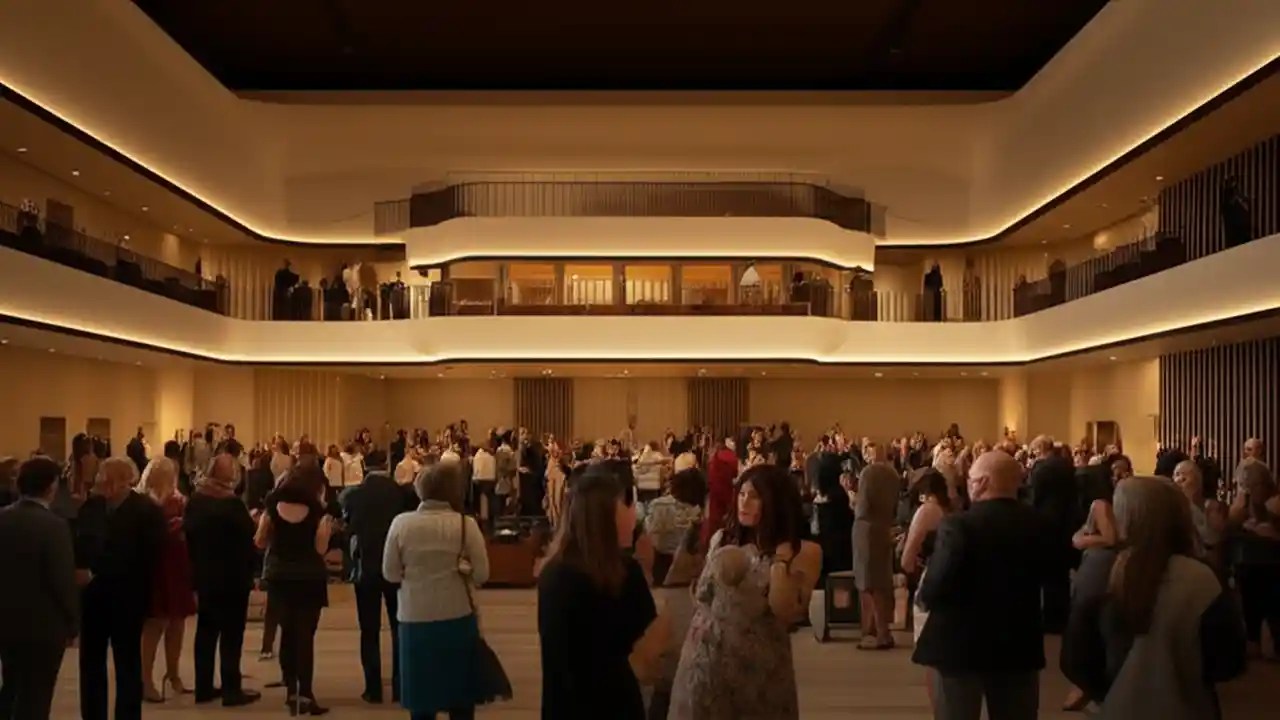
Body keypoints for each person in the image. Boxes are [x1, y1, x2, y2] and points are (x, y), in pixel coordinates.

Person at [1061, 476, 1246, 719]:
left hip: (1119, 706)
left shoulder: (1100, 569)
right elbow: (1228, 661)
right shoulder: (1203, 576)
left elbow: (1076, 658)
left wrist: (1110, 689)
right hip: (1188, 707)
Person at [667, 464, 822, 720]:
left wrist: (780, 562)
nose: (744, 502)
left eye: (754, 496)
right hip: (707, 658)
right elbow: (701, 596)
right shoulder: (722, 539)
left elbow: (786, 613)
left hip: (760, 668)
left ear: (775, 502)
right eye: (741, 494)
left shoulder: (803, 552)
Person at [912, 450, 1047, 720]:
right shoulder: (1039, 523)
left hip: (960, 644)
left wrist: (924, 598)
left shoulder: (958, 525)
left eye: (971, 478)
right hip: (1018, 640)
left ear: (982, 483)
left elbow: (938, 581)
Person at [539, 463, 669, 719]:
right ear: (605, 516)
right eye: (626, 505)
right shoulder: (623, 573)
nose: (633, 514)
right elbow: (649, 659)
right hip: (613, 706)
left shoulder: (552, 572)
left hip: (562, 707)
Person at [383, 462, 492, 720]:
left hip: (414, 617)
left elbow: (389, 573)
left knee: (421, 701)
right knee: (461, 699)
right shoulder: (466, 525)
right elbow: (482, 575)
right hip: (457, 615)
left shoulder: (401, 524)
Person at [76, 457, 166, 720]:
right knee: (91, 663)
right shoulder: (91, 507)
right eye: (102, 479)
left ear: (125, 481)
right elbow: (80, 543)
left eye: (109, 478)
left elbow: (151, 555)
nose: (103, 484)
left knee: (127, 662)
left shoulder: (146, 510)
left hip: (128, 596)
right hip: (93, 597)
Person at [0, 457, 79, 720]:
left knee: (11, 687)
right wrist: (73, 622)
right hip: (44, 626)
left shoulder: (3, 518)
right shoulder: (54, 526)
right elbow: (61, 579)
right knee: (37, 697)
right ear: (51, 487)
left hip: (7, 621)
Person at [184, 453, 261, 707]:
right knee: (231, 634)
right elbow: (248, 538)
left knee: (206, 632)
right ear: (226, 474)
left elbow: (190, 535)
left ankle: (203, 687)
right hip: (232, 577)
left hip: (205, 575)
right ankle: (231, 689)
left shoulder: (197, 499)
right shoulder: (231, 504)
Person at [256, 464, 333, 716]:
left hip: (280, 577)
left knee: (287, 632)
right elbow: (320, 549)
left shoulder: (272, 510)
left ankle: (290, 690)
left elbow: (260, 541)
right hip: (309, 577)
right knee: (305, 636)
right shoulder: (317, 513)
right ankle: (305, 693)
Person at [341, 468, 416, 705]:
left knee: (369, 630)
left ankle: (372, 689)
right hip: (396, 570)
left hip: (366, 570)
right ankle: (400, 686)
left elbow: (348, 529)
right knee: (399, 628)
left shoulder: (353, 496)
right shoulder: (402, 494)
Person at [137, 459, 197, 703]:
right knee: (155, 623)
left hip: (178, 563)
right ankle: (145, 679)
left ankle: (173, 674)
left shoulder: (178, 499)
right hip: (157, 564)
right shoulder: (142, 501)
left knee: (178, 622)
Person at [854, 454, 900, 650]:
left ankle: (875, 632)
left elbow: (862, 508)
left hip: (865, 531)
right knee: (881, 580)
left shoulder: (868, 475)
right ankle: (881, 631)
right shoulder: (893, 476)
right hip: (883, 527)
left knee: (867, 583)